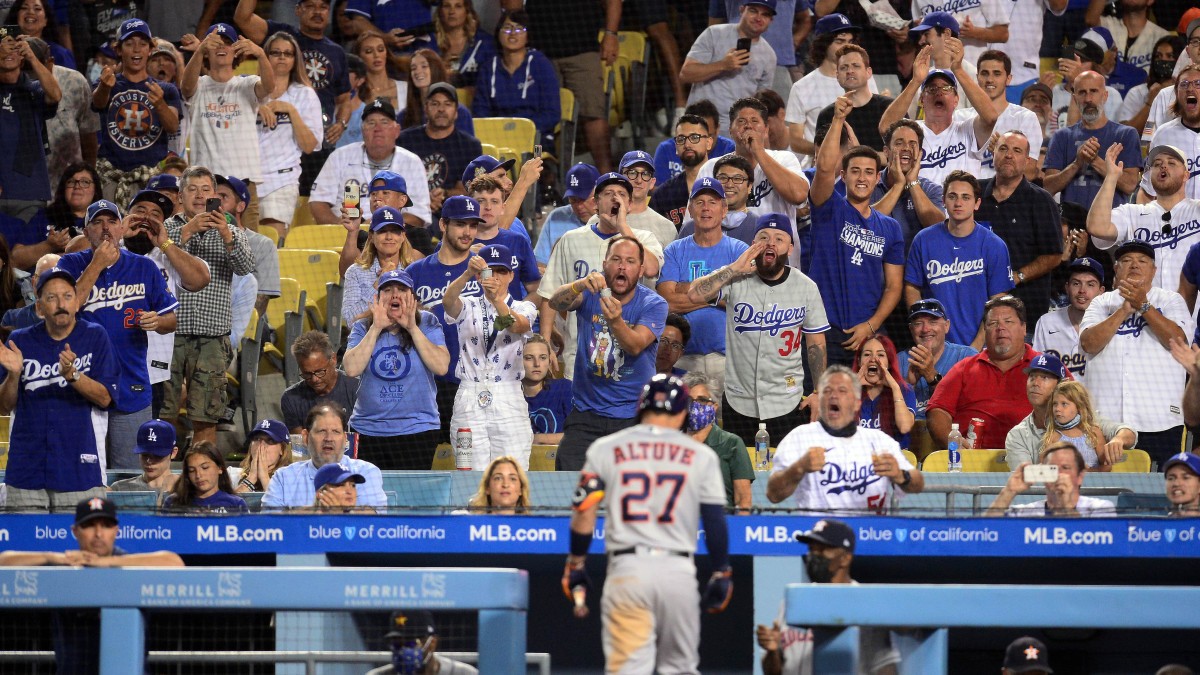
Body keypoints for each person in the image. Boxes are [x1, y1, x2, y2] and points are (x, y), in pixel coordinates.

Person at [562, 374, 733, 672]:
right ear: (682, 412)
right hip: (678, 572)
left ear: (641, 407)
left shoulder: (605, 447)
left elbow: (585, 511)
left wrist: (576, 563)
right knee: (679, 669)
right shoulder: (701, 456)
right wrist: (721, 571)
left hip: (628, 571)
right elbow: (715, 522)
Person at [57, 199, 178, 468]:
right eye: (97, 222)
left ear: (122, 228)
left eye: (112, 221)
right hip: (82, 386)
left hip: (131, 385)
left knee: (130, 475)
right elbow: (66, 309)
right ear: (86, 232)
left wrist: (157, 321)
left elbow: (172, 320)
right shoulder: (69, 264)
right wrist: (97, 265)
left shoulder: (144, 268)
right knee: (83, 474)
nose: (106, 228)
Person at [687, 215, 829, 445]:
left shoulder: (806, 287)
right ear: (753, 245)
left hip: (786, 401)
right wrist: (734, 268)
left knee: (783, 474)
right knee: (741, 475)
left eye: (779, 238)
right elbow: (694, 294)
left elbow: (816, 343)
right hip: (739, 402)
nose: (770, 243)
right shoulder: (736, 279)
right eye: (763, 237)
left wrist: (820, 391)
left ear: (790, 248)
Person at [0, 497, 183, 674]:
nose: (98, 533)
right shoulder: (64, 565)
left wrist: (106, 562)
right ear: (75, 531)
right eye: (89, 526)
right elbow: (4, 561)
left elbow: (175, 562)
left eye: (105, 525)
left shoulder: (127, 563)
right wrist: (53, 558)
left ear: (116, 531)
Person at [0, 269, 118, 510]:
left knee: (80, 546)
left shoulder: (95, 336)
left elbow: (106, 398)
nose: (61, 304)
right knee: (26, 547)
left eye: (67, 296)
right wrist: (13, 375)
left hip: (79, 471)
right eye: (51, 298)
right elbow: (4, 406)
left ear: (76, 302)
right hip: (26, 470)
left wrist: (73, 376)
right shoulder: (20, 342)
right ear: (40, 307)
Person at [548, 236, 668, 471]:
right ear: (604, 265)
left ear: (641, 270)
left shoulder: (654, 304)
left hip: (633, 417)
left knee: (631, 490)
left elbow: (634, 345)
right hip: (586, 414)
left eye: (630, 261)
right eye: (616, 259)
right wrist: (578, 284)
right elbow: (556, 303)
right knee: (567, 484)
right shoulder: (590, 294)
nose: (622, 266)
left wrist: (615, 321)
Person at [160, 166, 255, 447]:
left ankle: (203, 480)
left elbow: (246, 267)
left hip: (212, 340)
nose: (200, 196)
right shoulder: (166, 228)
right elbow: (154, 254)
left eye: (206, 190)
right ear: (180, 196)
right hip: (168, 337)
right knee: (163, 414)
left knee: (206, 416)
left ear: (215, 196)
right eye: (192, 189)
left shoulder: (232, 231)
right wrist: (187, 231)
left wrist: (226, 234)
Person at [536, 173, 664, 377]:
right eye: (608, 193)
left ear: (629, 205)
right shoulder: (571, 239)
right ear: (596, 202)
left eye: (622, 194)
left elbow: (650, 269)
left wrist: (622, 226)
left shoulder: (644, 238)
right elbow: (549, 293)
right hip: (580, 352)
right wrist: (544, 342)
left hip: (628, 356)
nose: (615, 199)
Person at [1080, 241, 1192, 466]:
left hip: (1160, 421)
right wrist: (1123, 311)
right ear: (1116, 268)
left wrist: (1143, 306)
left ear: (1154, 270)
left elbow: (1178, 341)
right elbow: (1089, 343)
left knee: (1160, 493)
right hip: (1107, 422)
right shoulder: (1101, 303)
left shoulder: (1170, 300)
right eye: (1127, 261)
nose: (1134, 265)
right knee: (1104, 490)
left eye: (1142, 261)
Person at [810, 100, 904, 365]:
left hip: (869, 336)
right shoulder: (828, 208)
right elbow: (824, 168)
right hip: (824, 331)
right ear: (844, 175)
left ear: (877, 179)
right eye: (855, 171)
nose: (862, 177)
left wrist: (871, 326)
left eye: (869, 172)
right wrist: (838, 119)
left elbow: (894, 287)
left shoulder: (890, 227)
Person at [767, 365, 924, 510]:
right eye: (827, 391)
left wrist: (900, 475)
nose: (833, 396)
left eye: (842, 391)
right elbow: (773, 494)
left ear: (856, 403)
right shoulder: (800, 437)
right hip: (818, 531)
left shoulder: (879, 441)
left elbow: (918, 484)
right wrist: (799, 468)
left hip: (868, 532)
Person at [757, 519, 901, 675]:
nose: (814, 555)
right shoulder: (792, 601)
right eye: (812, 549)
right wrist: (772, 652)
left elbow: (885, 667)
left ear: (845, 558)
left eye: (823, 550)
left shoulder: (865, 603)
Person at [343, 269, 449, 470]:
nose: (394, 294)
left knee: (411, 498)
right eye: (388, 289)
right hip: (369, 430)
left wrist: (412, 328)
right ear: (378, 298)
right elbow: (351, 369)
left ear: (412, 297)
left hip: (417, 430)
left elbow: (441, 366)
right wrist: (376, 328)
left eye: (401, 289)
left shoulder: (426, 322)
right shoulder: (363, 327)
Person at [443, 244, 538, 469]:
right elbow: (448, 304)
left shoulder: (526, 307)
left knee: (512, 473)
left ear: (511, 275)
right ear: (479, 276)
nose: (495, 277)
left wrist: (497, 300)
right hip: (469, 399)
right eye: (489, 271)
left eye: (501, 271)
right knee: (468, 473)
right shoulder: (468, 304)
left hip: (509, 399)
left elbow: (517, 326)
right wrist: (467, 273)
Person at [657, 177, 750, 404]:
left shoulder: (740, 251)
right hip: (683, 359)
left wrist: (688, 290)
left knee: (726, 425)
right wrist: (718, 295)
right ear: (690, 209)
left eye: (713, 202)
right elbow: (668, 303)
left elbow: (742, 303)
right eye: (699, 202)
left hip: (729, 357)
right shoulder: (674, 250)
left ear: (724, 209)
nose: (706, 208)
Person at [181, 23, 274, 234]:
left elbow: (269, 87)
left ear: (236, 52)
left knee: (248, 247)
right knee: (210, 245)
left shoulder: (247, 84)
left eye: (228, 43)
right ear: (206, 51)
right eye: (216, 43)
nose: (222, 47)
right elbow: (186, 87)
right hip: (207, 186)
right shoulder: (200, 85)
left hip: (243, 184)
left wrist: (260, 54)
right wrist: (200, 50)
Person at [904, 170, 1014, 348]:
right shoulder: (923, 240)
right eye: (952, 196)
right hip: (934, 346)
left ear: (977, 203)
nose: (958, 203)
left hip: (980, 347)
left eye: (966, 197)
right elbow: (912, 287)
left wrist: (974, 349)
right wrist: (922, 329)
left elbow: (998, 303)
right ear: (943, 201)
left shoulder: (994, 245)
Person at [503, 0, 616, 173]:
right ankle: (546, 180)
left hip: (583, 47)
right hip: (541, 50)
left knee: (593, 113)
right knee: (541, 116)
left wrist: (611, 33)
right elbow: (512, 7)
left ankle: (607, 175)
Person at [697, 97, 809, 267]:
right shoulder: (712, 167)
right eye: (741, 121)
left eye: (754, 121)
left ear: (765, 130)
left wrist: (758, 152)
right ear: (731, 130)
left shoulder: (784, 159)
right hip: (725, 261)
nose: (748, 126)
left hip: (778, 262)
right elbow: (696, 218)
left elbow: (799, 196)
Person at [926, 295, 1038, 449]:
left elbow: (1074, 404)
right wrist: (951, 443)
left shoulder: (1046, 366)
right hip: (972, 464)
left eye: (1008, 321)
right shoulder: (964, 368)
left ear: (1024, 328)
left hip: (1032, 462)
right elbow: (937, 411)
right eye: (993, 323)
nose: (1001, 328)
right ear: (985, 330)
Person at [878, 45, 997, 187]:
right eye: (931, 88)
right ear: (922, 99)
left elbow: (991, 117)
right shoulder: (911, 132)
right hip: (915, 206)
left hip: (961, 207)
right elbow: (886, 127)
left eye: (946, 88)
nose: (938, 92)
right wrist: (915, 81)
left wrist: (958, 70)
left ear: (956, 99)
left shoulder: (968, 129)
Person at [1089, 144, 1200, 291]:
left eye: (1171, 163)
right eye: (1157, 164)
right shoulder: (1132, 214)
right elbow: (1097, 227)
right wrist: (1111, 177)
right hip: (1144, 310)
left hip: (1192, 310)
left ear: (1186, 175)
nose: (1163, 167)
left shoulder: (1196, 210)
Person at [310, 97, 432, 230]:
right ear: (362, 131)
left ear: (397, 131)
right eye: (371, 123)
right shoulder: (339, 157)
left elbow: (419, 216)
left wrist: (383, 223)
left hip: (396, 235)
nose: (377, 128)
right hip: (344, 236)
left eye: (384, 122)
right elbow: (318, 203)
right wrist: (340, 227)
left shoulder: (412, 162)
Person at [1004, 352, 1136, 469]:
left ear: (1060, 385)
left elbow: (1129, 433)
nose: (1035, 383)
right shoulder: (1017, 435)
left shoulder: (1088, 420)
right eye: (1032, 377)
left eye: (1044, 378)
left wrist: (1118, 439)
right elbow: (1024, 478)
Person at [95, 22, 177, 208]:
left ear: (151, 49)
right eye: (129, 43)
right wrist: (104, 87)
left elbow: (172, 127)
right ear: (118, 49)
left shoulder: (166, 89)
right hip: (110, 180)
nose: (136, 49)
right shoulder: (106, 83)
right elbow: (97, 103)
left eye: (142, 43)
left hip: (150, 181)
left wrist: (160, 105)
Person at [254, 30, 323, 242]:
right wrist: (256, 109)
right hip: (248, 178)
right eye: (275, 52)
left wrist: (290, 111)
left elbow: (310, 145)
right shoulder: (249, 89)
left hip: (282, 179)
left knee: (271, 237)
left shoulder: (305, 94)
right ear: (266, 57)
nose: (282, 57)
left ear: (295, 60)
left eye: (288, 53)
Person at [1043, 71, 1142, 210]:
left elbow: (1130, 185)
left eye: (1094, 91)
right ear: (1075, 98)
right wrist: (1077, 164)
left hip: (1112, 222)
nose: (1088, 98)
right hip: (1072, 224)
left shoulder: (1126, 134)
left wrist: (1095, 161)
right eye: (1082, 92)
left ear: (1105, 96)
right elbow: (1048, 188)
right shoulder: (1061, 136)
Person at [785, 14, 874, 164]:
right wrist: (830, 151)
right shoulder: (802, 87)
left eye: (850, 41)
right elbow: (795, 141)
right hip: (819, 167)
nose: (846, 47)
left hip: (861, 165)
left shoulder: (865, 79)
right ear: (823, 44)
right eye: (839, 41)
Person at [0, 25, 61, 243]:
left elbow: (55, 95)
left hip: (30, 190)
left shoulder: (33, 89)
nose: (8, 52)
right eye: (2, 46)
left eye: (14, 47)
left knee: (28, 262)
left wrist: (33, 59)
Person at [263, 403, 387, 508]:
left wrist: (332, 514)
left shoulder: (366, 472)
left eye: (336, 432)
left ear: (345, 439)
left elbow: (373, 519)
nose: (329, 438)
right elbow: (270, 522)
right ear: (305, 438)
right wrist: (320, 513)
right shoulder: (284, 477)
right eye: (321, 431)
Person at [681, 0, 777, 134]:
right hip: (699, 121)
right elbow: (686, 74)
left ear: (771, 20)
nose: (758, 18)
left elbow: (760, 103)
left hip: (736, 129)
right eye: (753, 11)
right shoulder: (714, 34)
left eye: (765, 14)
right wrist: (723, 65)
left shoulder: (769, 55)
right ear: (742, 10)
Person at [471, 10, 560, 148]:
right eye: (507, 28)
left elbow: (552, 113)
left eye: (519, 28)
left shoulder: (541, 64)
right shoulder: (488, 68)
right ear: (498, 33)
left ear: (528, 35)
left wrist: (520, 129)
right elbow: (480, 111)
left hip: (535, 139)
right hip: (496, 137)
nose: (513, 33)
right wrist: (498, 130)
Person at [398, 81, 483, 218]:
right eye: (435, 104)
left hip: (452, 214)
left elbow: (469, 191)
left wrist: (444, 194)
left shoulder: (470, 145)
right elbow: (396, 184)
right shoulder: (405, 140)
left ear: (456, 112)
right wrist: (422, 200)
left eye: (447, 104)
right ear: (425, 109)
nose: (441, 109)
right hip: (411, 212)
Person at [966, 51, 1044, 181]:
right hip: (966, 195)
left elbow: (1029, 173)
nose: (990, 79)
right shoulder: (962, 117)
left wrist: (1001, 151)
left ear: (1008, 79)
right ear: (977, 78)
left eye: (997, 74)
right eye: (984, 73)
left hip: (1005, 196)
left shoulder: (1025, 118)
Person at [897, 299, 977, 422]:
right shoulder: (897, 361)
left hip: (951, 434)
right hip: (909, 435)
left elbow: (971, 407)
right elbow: (886, 411)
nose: (925, 329)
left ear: (946, 326)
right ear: (910, 329)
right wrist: (908, 385)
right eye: (918, 323)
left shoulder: (966, 357)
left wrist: (931, 376)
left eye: (933, 322)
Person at [683, 371, 753, 511]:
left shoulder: (732, 443)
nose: (695, 406)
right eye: (689, 401)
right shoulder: (672, 443)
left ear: (714, 406)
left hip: (722, 522)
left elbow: (743, 501)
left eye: (702, 400)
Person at [985, 442, 1117, 516]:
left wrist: (1066, 507)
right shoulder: (1026, 512)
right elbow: (987, 533)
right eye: (1052, 468)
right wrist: (1008, 491)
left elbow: (1090, 548)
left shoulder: (1100, 509)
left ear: (1080, 476)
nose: (1059, 474)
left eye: (1065, 467)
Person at [871, 122, 946, 251]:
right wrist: (899, 185)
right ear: (886, 152)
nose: (906, 148)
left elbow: (939, 229)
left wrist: (912, 182)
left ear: (920, 154)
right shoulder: (869, 185)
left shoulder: (932, 189)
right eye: (899, 143)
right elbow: (863, 225)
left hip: (917, 268)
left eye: (912, 144)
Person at [213, 174, 281, 317]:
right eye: (213, 196)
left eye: (223, 196)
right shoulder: (199, 238)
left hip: (246, 325)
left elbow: (261, 301)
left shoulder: (262, 244)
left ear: (240, 206)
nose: (216, 201)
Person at [343, 205, 420, 324]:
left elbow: (422, 315)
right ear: (371, 237)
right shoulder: (355, 272)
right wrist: (380, 282)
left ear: (403, 236)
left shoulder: (414, 271)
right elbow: (351, 321)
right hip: (369, 339)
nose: (389, 237)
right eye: (382, 231)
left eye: (395, 231)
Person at [1033, 257, 1105, 383]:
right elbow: (1038, 370)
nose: (1082, 291)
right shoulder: (1046, 323)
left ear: (1101, 291)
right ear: (1067, 288)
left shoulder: (1109, 323)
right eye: (1076, 283)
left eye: (1090, 284)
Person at [281, 330, 361, 434]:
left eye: (319, 372)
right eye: (307, 374)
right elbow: (300, 445)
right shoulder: (291, 398)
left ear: (333, 359)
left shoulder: (358, 389)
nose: (315, 379)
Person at [814, 45, 891, 151]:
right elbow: (821, 159)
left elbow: (902, 155)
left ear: (868, 72)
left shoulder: (889, 107)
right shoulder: (828, 115)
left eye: (856, 66)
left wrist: (858, 152)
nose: (850, 71)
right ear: (837, 75)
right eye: (843, 68)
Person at [1142, 64, 1200, 200]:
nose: (1190, 88)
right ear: (1176, 94)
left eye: (1198, 84)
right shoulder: (1163, 135)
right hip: (1177, 219)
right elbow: (1148, 192)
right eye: (1184, 84)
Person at [650, 115, 718, 230]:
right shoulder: (663, 194)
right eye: (681, 139)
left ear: (709, 143)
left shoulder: (724, 183)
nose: (687, 144)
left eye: (694, 137)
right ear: (676, 147)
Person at [1039, 380, 1124, 469]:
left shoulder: (1093, 433)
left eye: (1064, 404)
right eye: (1055, 404)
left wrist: (1089, 473)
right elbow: (1044, 469)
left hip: (1094, 482)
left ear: (1079, 407)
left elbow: (1107, 466)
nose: (1057, 409)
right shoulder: (1052, 437)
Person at [853, 335, 917, 449]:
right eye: (867, 354)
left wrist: (895, 388)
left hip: (893, 462)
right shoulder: (847, 391)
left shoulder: (905, 390)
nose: (873, 359)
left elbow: (904, 427)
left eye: (881, 355)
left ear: (889, 362)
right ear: (859, 361)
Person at [368, 610, 478, 675]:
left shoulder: (464, 674)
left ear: (432, 644)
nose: (402, 651)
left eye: (410, 644)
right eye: (397, 645)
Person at [534, 163, 599, 267]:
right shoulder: (557, 218)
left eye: (583, 199)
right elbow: (540, 265)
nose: (578, 206)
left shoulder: (611, 220)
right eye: (573, 200)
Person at [614, 149, 677, 250]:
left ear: (652, 182)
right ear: (620, 178)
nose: (639, 180)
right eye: (632, 173)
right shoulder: (601, 221)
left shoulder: (666, 227)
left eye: (645, 174)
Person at [162, 441, 249, 512]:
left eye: (205, 468)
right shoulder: (173, 503)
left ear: (220, 468)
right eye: (192, 470)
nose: (198, 475)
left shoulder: (236, 504)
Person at [108, 419, 181, 500]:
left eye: (157, 455)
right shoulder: (119, 489)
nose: (149, 461)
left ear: (173, 453)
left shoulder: (186, 489)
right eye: (145, 455)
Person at [522, 334, 571, 445]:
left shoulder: (565, 388)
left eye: (543, 358)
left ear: (549, 361)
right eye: (529, 358)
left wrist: (536, 439)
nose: (537, 364)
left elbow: (579, 435)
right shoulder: (509, 396)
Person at [434, 0, 494, 90]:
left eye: (458, 6)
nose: (451, 12)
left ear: (467, 11)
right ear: (440, 11)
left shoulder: (485, 43)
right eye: (446, 6)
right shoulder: (428, 42)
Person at [235, 418, 294, 494]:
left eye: (270, 440)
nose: (261, 444)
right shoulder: (234, 475)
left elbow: (284, 504)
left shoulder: (292, 478)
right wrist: (251, 478)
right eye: (257, 439)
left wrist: (264, 478)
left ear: (282, 450)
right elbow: (226, 505)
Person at [465, 456, 531, 514]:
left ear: (521, 490)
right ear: (487, 488)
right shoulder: (470, 525)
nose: (505, 484)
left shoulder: (532, 527)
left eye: (512, 479)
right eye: (498, 478)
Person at [656, 313, 690, 377]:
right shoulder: (633, 374)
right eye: (663, 341)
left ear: (681, 353)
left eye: (675, 346)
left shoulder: (686, 382)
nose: (668, 350)